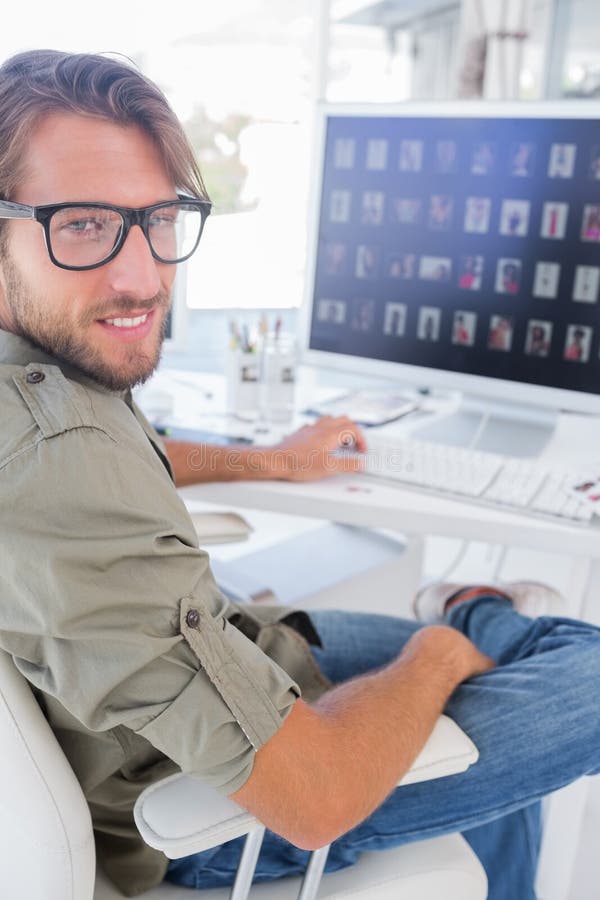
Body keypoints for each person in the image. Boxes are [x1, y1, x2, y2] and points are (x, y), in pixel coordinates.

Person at [0, 50, 599, 900]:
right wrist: (435, 654)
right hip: (203, 806)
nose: (143, 275)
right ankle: (472, 612)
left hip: (228, 656)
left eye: (159, 218)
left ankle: (478, 622)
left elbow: (132, 452)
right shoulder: (58, 459)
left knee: (499, 712)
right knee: (577, 659)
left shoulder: (40, 384)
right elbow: (315, 800)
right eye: (83, 224)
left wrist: (275, 461)